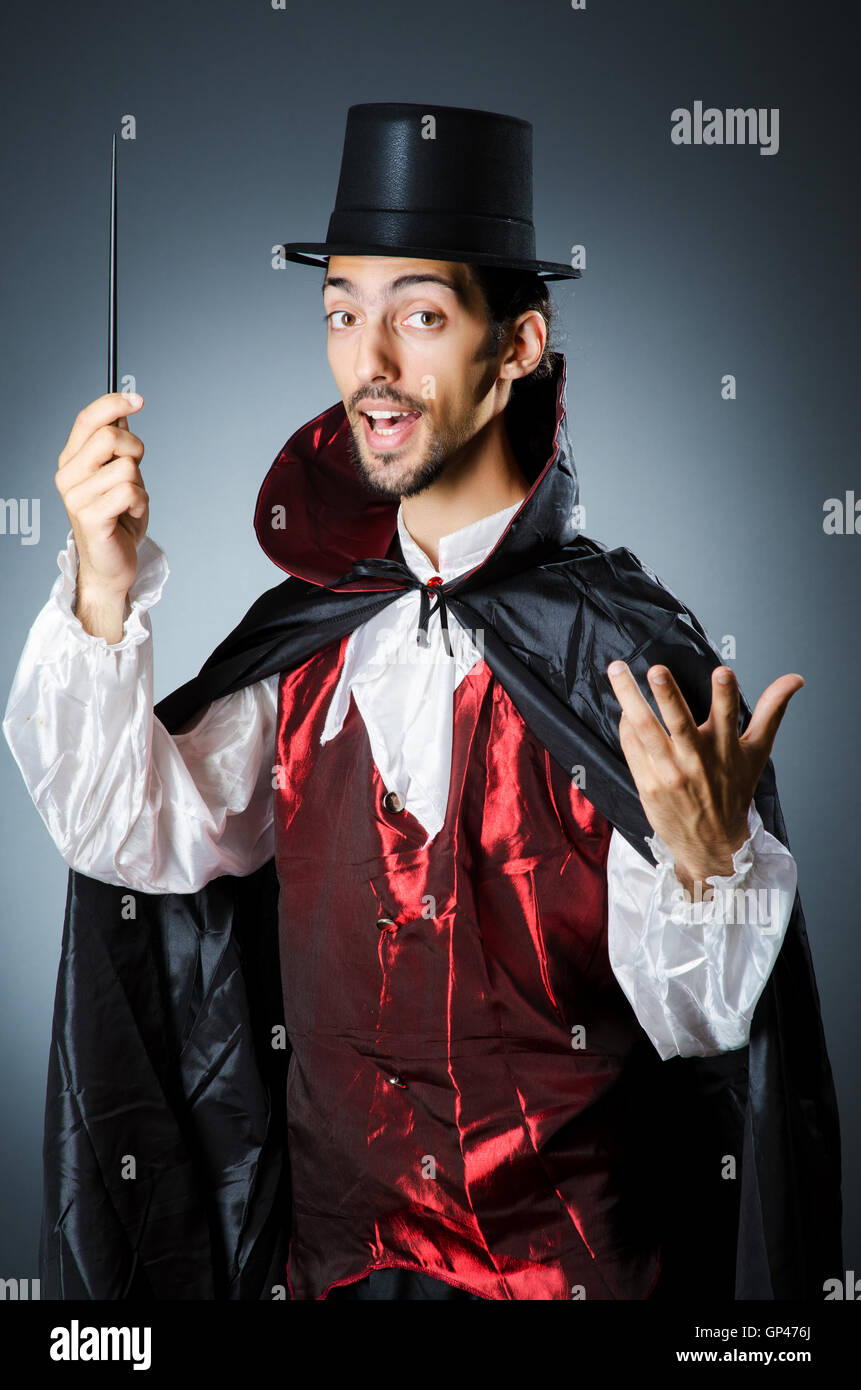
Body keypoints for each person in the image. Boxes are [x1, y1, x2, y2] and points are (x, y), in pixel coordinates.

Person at [2, 103, 841, 1301]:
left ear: (518, 349)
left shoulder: (627, 656)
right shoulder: (313, 640)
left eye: (421, 315)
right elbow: (128, 835)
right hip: (330, 1276)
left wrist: (715, 874)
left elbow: (705, 1030)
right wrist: (98, 583)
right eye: (343, 312)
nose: (370, 364)